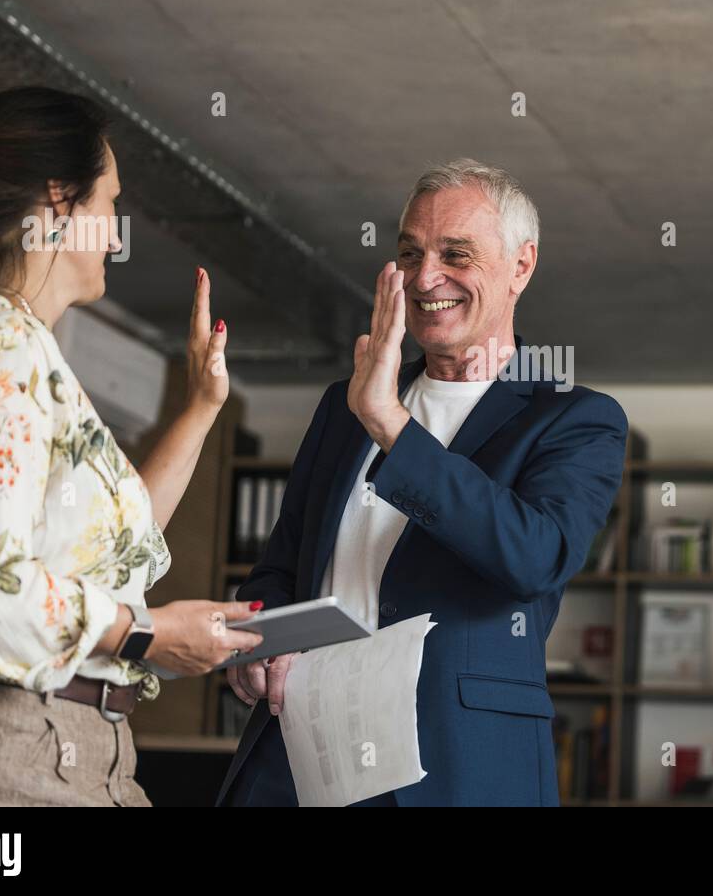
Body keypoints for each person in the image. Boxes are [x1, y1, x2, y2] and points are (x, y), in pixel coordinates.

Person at [0, 84, 263, 806]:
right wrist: (144, 633)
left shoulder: (3, 347)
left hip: (38, 747)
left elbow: (116, 540)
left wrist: (202, 408)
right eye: (110, 203)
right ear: (59, 205)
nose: (116, 234)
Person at [219, 158, 627, 806]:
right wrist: (258, 641)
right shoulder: (342, 404)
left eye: (455, 254)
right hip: (298, 754)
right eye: (410, 253)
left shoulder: (574, 419)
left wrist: (391, 425)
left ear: (521, 266)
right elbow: (282, 564)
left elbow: (533, 557)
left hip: (453, 765)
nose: (425, 277)